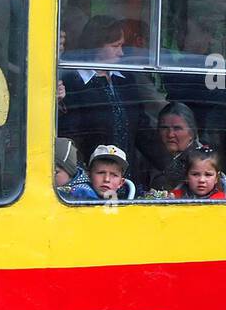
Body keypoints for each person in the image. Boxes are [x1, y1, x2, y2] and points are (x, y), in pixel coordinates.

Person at [58, 16, 157, 164]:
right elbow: (71, 136)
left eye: (122, 46)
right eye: (115, 46)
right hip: (90, 177)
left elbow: (143, 132)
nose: (121, 53)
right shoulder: (72, 83)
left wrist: (174, 168)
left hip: (126, 178)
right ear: (96, 46)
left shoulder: (125, 79)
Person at [144, 102, 202, 193]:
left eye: (177, 128)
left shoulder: (201, 162)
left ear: (191, 132)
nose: (170, 134)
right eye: (164, 128)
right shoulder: (154, 158)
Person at [59, 144, 129, 201]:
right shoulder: (82, 194)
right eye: (101, 173)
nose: (106, 179)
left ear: (121, 183)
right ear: (88, 175)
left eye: (114, 175)